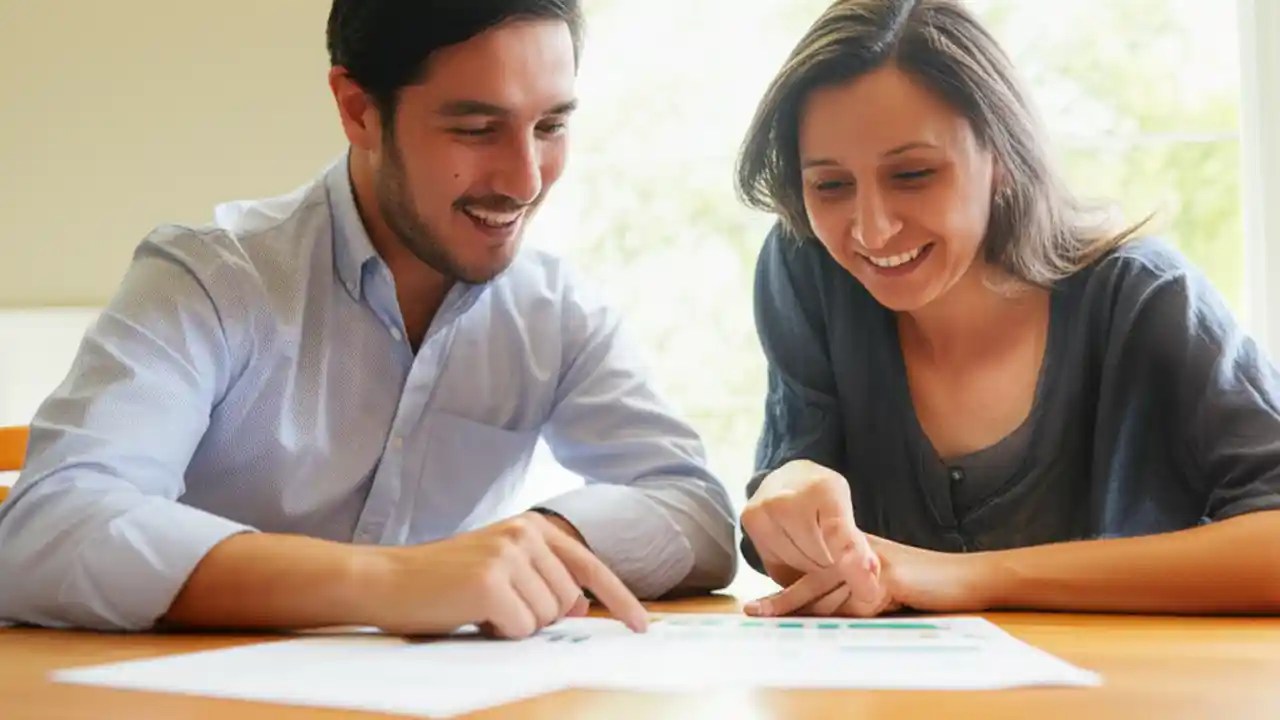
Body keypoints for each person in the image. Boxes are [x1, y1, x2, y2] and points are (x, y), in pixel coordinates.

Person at [0, 0, 736, 637]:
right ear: (357, 110)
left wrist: (542, 540)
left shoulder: (556, 311)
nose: (525, 179)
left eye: (550, 126)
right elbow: (50, 531)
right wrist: (394, 582)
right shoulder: (211, 280)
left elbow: (696, 512)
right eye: (477, 129)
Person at [735, 0, 1280, 618]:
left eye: (913, 174)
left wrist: (972, 578)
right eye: (830, 185)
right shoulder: (807, 270)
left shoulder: (1143, 297)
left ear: (1000, 158)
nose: (872, 230)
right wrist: (786, 499)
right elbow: (789, 546)